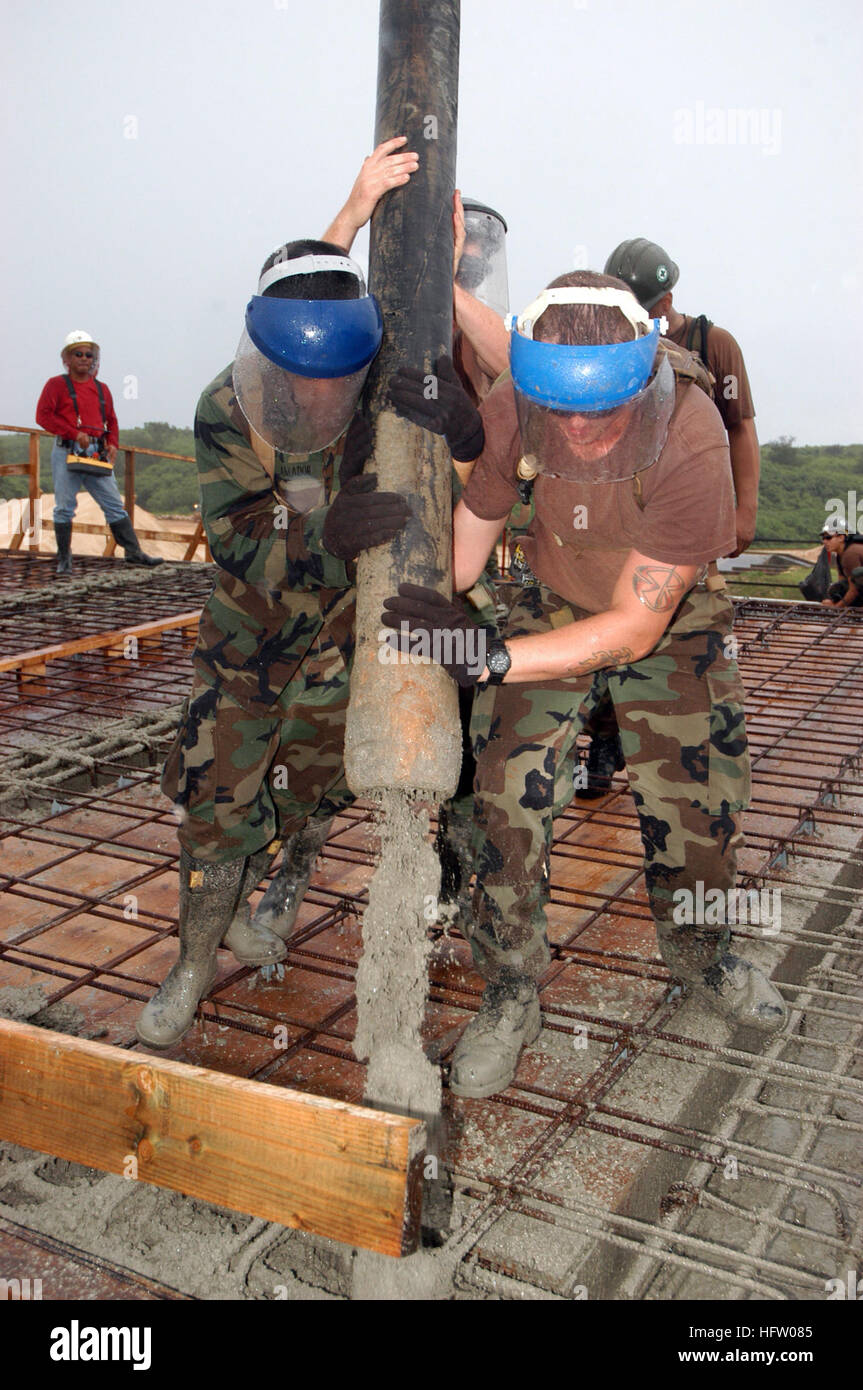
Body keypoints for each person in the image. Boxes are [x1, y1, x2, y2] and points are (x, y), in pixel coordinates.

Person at [384, 269, 788, 1100]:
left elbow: (635, 629)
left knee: (696, 807)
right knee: (499, 794)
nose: (579, 428)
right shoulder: (511, 408)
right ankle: (510, 986)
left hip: (667, 620)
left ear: (637, 379)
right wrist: (407, 570)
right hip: (554, 595)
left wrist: (490, 660)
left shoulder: (691, 431)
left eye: (600, 411)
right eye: (559, 411)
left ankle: (700, 955)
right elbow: (463, 559)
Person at [136, 240, 410, 1049]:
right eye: (302, 371)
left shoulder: (384, 387)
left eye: (338, 374)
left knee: (311, 790)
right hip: (247, 648)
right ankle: (192, 959)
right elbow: (238, 537)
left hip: (341, 646)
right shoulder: (227, 406)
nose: (321, 391)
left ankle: (267, 896)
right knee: (218, 806)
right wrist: (329, 532)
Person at [574, 238, 761, 799]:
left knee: (686, 632)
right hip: (620, 515)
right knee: (613, 626)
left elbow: (741, 428)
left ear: (667, 299)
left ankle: (692, 765)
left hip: (687, 516)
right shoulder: (610, 341)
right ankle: (605, 745)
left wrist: (742, 511)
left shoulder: (712, 344)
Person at [35, 331, 163, 574]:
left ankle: (134, 553)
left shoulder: (102, 389)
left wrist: (112, 443)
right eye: (78, 354)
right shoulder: (56, 385)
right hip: (67, 451)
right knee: (64, 506)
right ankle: (64, 560)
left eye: (88, 354)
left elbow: (112, 421)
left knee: (114, 504)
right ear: (68, 358)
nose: (84, 358)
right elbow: (43, 415)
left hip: (96, 453)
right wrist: (73, 433)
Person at [821, 529, 863, 608]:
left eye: (828, 538)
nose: (825, 541)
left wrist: (836, 607)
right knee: (836, 589)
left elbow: (854, 590)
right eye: (823, 538)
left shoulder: (850, 554)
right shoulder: (840, 555)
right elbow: (842, 583)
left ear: (841, 538)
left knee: (857, 573)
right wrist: (834, 600)